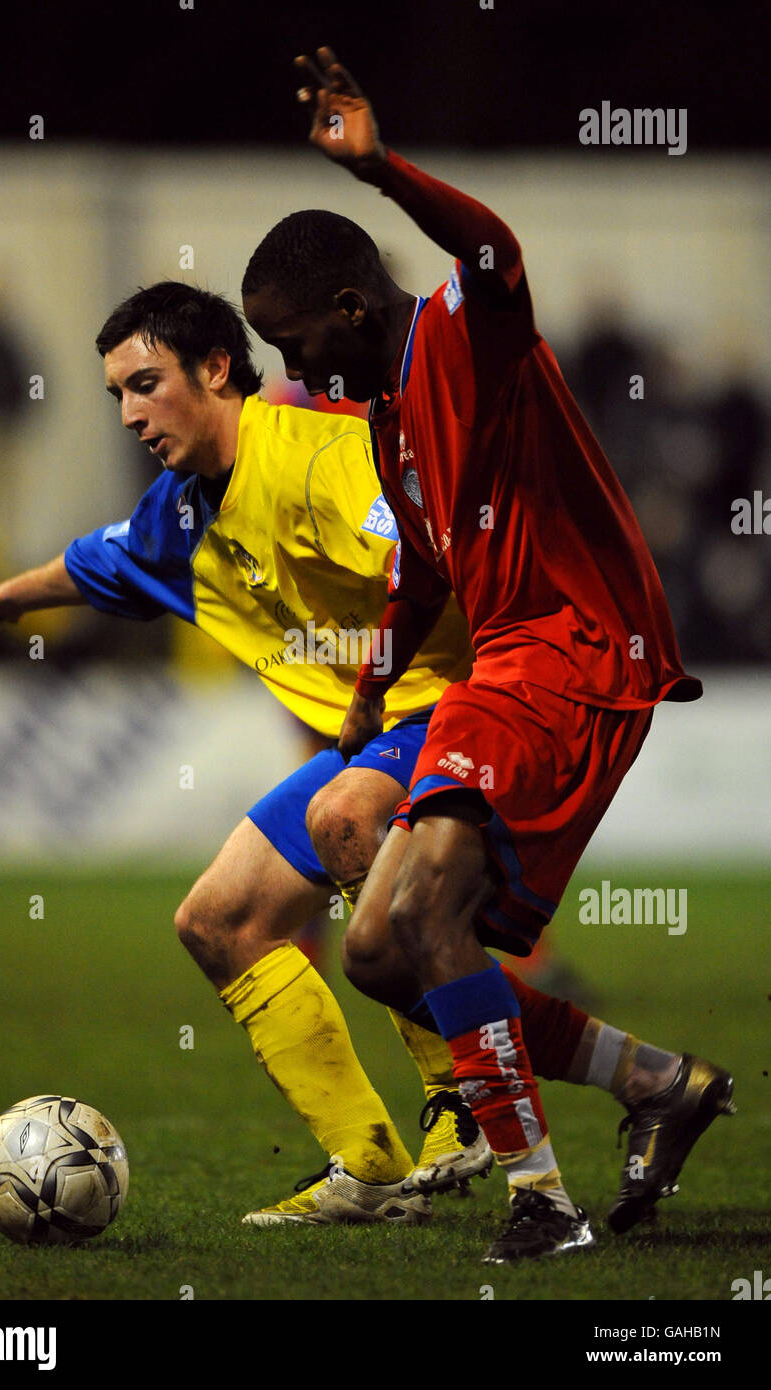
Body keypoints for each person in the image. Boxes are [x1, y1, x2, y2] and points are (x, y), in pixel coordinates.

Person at [0, 283, 722, 1235]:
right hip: (377, 736)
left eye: (145, 384)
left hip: (461, 707)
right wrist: (5, 600)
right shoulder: (178, 513)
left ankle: (460, 1111)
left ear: (218, 370)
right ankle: (386, 1161)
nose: (131, 413)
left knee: (353, 835)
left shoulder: (332, 458)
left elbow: (443, 560)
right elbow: (93, 561)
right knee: (218, 919)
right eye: (116, 395)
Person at [241, 48, 734, 1259]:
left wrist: (378, 170)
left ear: (352, 308)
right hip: (508, 664)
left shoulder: (465, 335)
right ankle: (658, 1081)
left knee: (432, 902)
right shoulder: (388, 418)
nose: (295, 373)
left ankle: (537, 1198)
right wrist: (361, 699)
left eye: (297, 343)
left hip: (570, 647)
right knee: (374, 950)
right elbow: (420, 572)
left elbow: (491, 249)